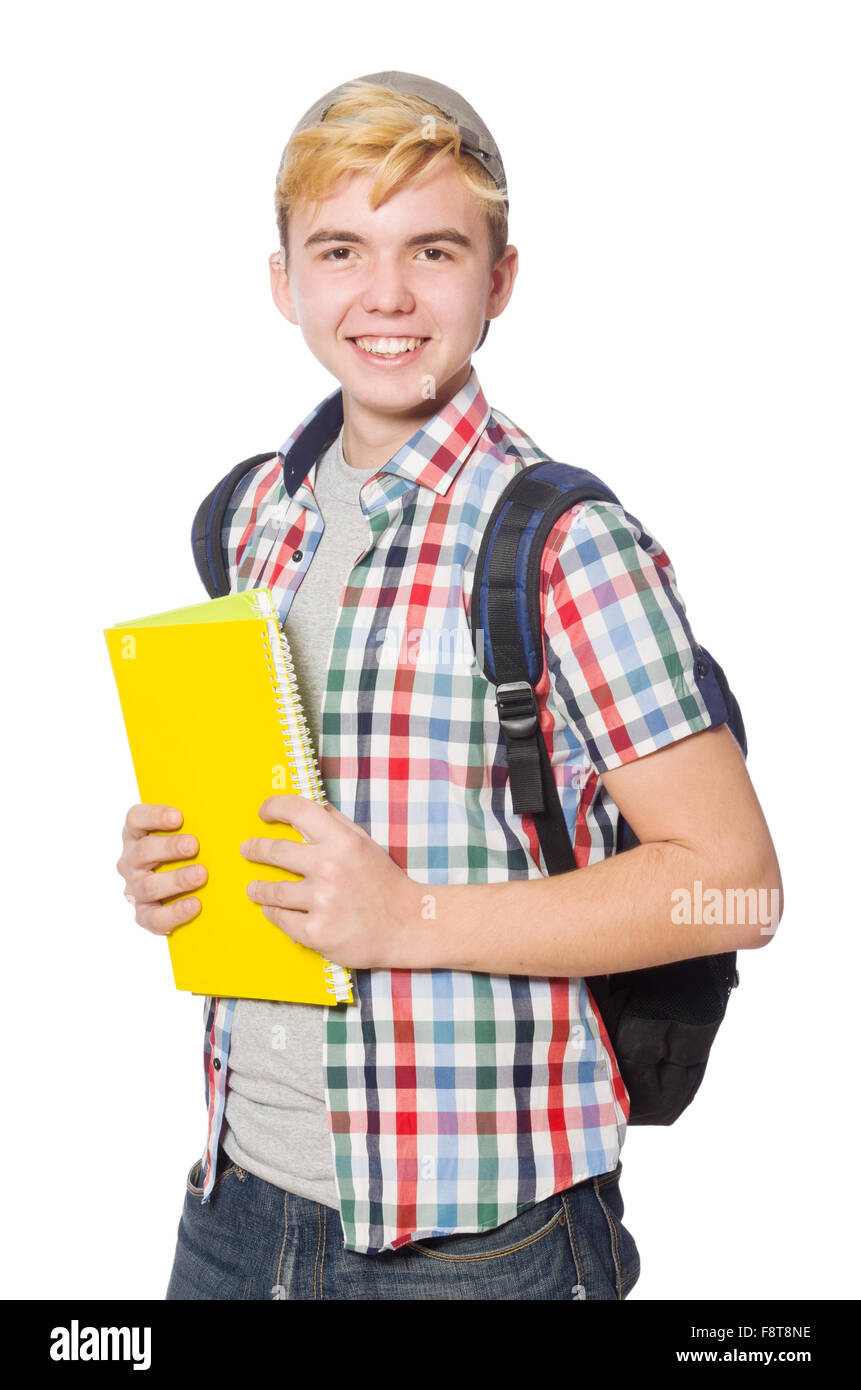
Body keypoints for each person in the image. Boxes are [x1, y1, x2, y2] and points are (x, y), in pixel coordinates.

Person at [115, 71, 782, 1301]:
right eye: (339, 249)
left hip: (479, 1243)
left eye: (431, 248)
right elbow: (288, 829)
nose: (383, 294)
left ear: (500, 279)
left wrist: (408, 918)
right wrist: (178, 866)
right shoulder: (253, 515)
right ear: (284, 282)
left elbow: (733, 892)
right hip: (233, 1207)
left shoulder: (562, 542)